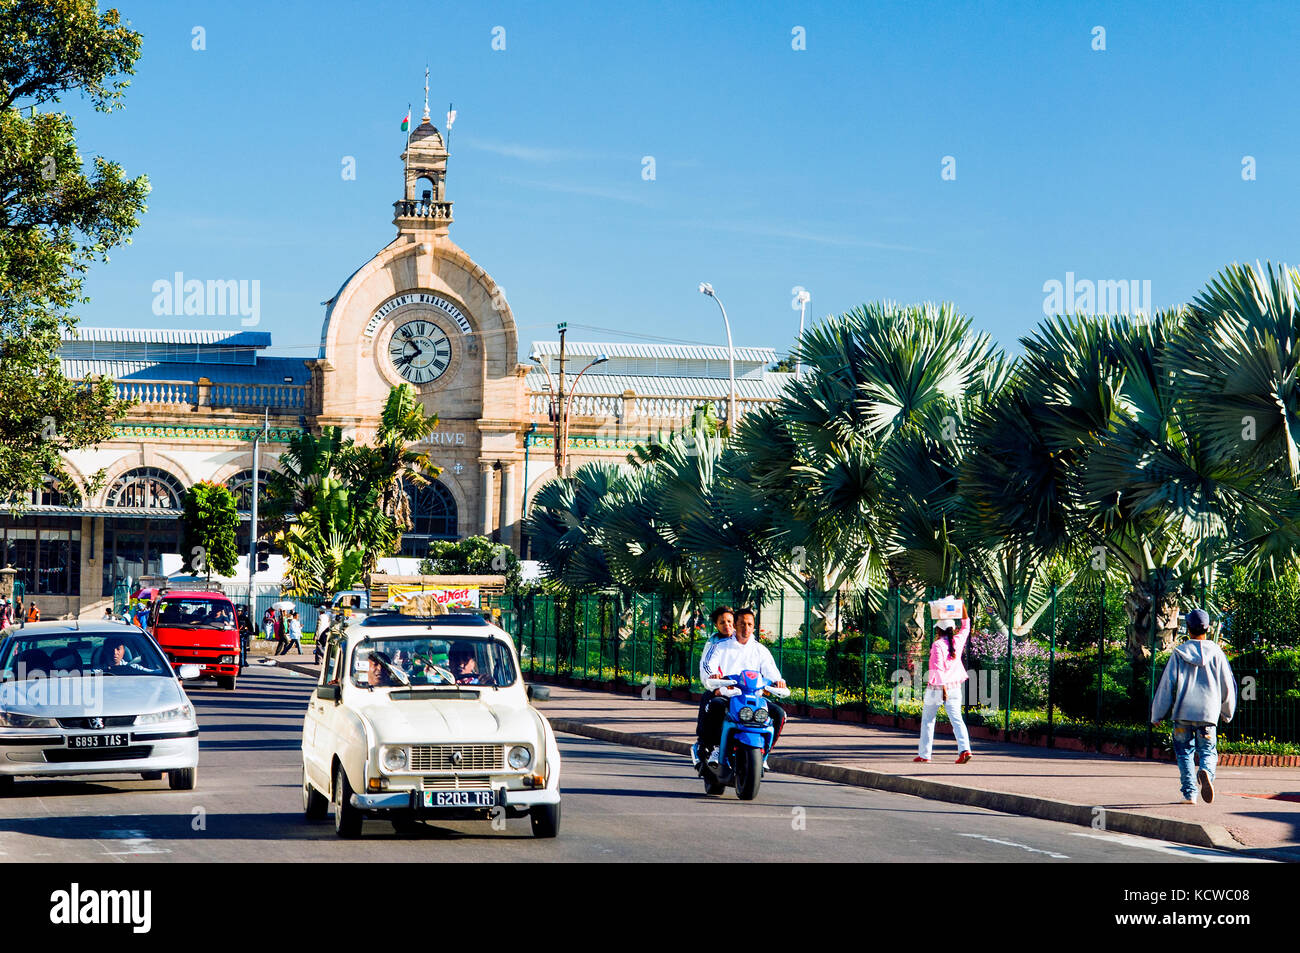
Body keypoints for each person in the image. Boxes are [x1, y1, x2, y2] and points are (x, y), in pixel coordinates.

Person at [1151, 608, 1237, 804]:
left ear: (1187, 628)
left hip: (1182, 712)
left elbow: (1166, 685)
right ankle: (1206, 772)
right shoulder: (1217, 653)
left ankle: (1189, 794)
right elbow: (1227, 685)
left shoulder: (1179, 653)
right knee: (1208, 751)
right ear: (1207, 628)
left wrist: (1157, 714)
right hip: (1208, 714)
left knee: (1183, 752)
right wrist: (1227, 712)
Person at [695, 606, 787, 770]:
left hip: (753, 698)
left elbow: (772, 672)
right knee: (715, 704)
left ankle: (763, 754)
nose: (746, 628)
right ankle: (716, 748)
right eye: (742, 624)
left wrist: (779, 681)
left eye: (749, 624)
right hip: (729, 695)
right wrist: (714, 678)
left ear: (754, 626)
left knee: (779, 713)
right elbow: (708, 667)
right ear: (736, 626)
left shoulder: (760, 650)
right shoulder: (720, 646)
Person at [915, 600, 973, 764]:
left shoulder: (937, 645)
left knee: (928, 720)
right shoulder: (958, 641)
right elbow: (966, 626)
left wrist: (943, 689)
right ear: (952, 629)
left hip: (937, 688)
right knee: (957, 720)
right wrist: (962, 606)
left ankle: (925, 755)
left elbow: (938, 669)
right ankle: (965, 749)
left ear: (938, 630)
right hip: (955, 687)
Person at [691, 605, 736, 767]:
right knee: (711, 702)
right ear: (716, 625)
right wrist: (714, 680)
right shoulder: (713, 643)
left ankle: (761, 751)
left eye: (730, 621)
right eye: (722, 622)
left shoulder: (745, 642)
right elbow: (706, 666)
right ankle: (704, 744)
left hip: (742, 691)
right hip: (720, 688)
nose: (727, 625)